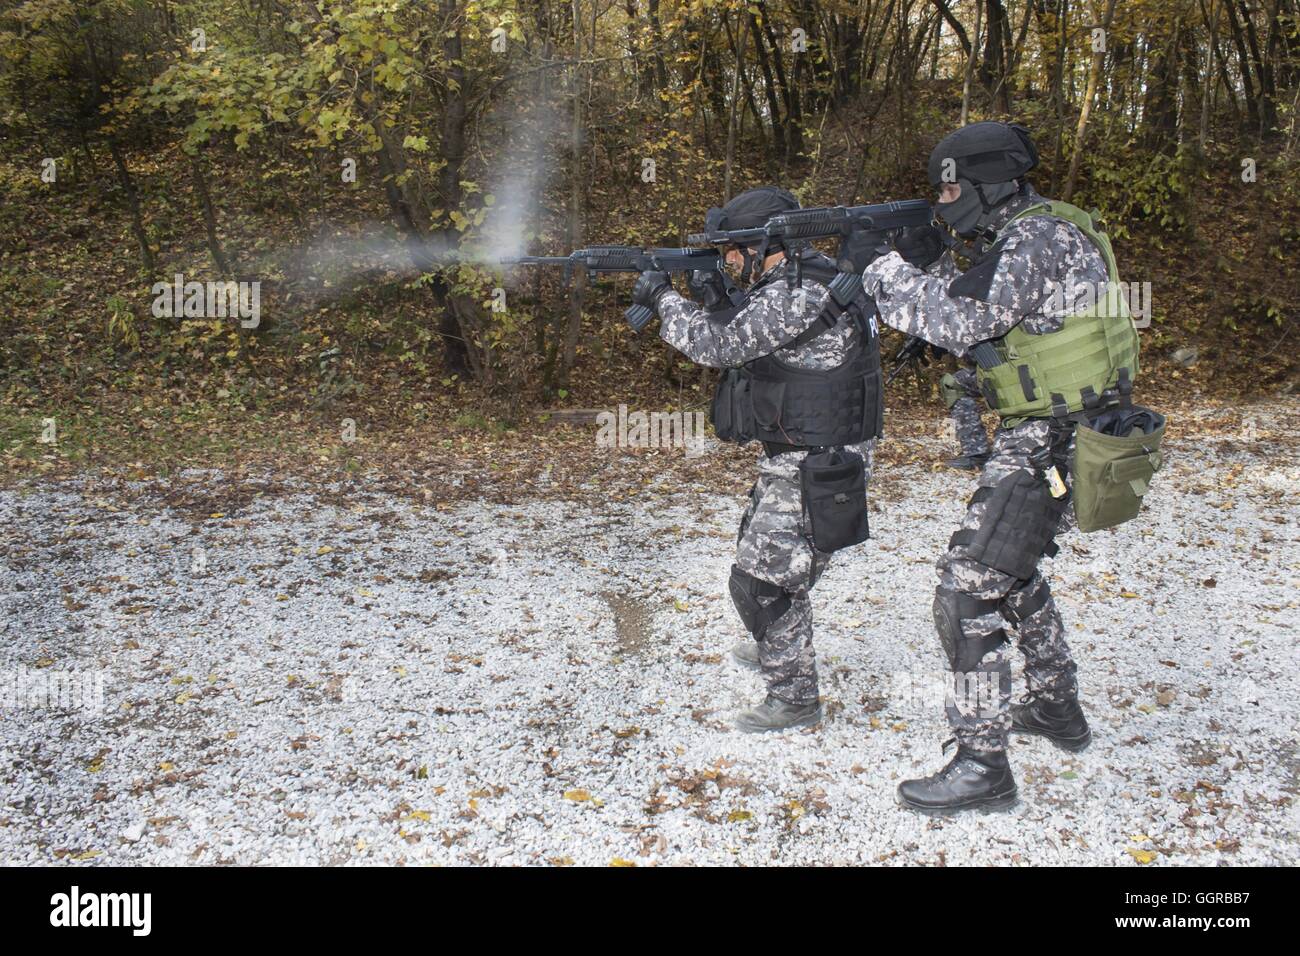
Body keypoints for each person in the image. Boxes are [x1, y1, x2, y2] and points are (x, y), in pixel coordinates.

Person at [863, 121, 1140, 812]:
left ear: (989, 184)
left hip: (1053, 439)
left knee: (966, 589)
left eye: (952, 186)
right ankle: (1054, 706)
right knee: (1009, 576)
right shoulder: (1029, 235)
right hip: (1057, 431)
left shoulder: (1038, 238)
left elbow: (963, 321)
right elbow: (975, 308)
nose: (945, 198)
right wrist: (924, 269)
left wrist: (880, 268)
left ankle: (983, 765)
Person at [630, 186, 883, 732]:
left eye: (729, 252)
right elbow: (751, 332)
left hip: (816, 459)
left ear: (758, 245)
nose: (725, 260)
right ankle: (781, 648)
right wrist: (718, 293)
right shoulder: (803, 280)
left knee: (760, 582)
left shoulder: (797, 293)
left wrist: (662, 301)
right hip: (807, 453)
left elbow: (718, 346)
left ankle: (794, 698)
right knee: (776, 566)